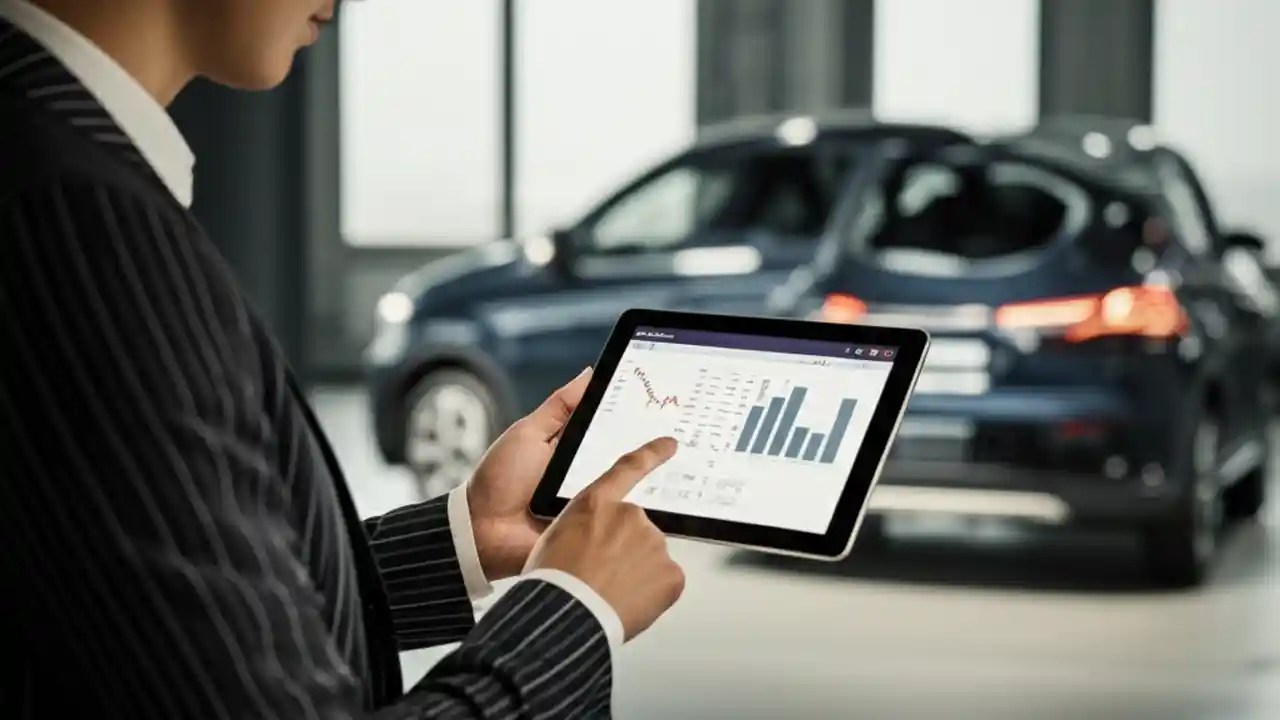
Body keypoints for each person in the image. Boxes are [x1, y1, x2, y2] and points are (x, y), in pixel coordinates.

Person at [0, 0, 686, 717]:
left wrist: (468, 538)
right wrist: (572, 614)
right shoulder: (86, 225)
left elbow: (153, 620)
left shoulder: (54, 161)